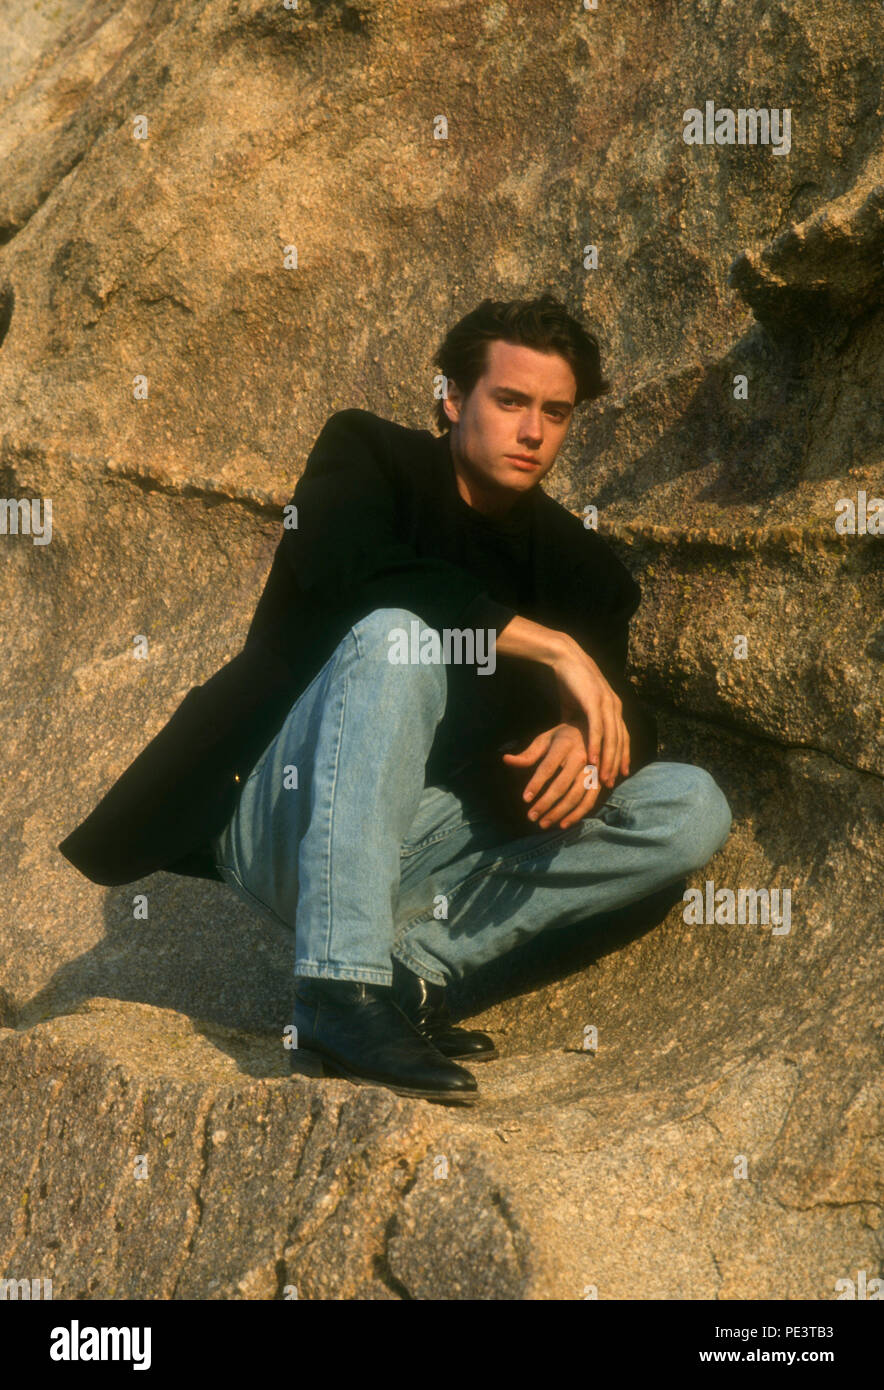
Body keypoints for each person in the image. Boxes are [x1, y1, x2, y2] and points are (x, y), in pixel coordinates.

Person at [58, 293, 732, 1107]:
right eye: (511, 401)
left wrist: (582, 739)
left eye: (555, 413)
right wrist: (546, 644)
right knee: (398, 636)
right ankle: (336, 990)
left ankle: (409, 975)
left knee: (690, 805)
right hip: (284, 811)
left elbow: (621, 705)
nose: (532, 432)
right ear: (453, 398)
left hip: (426, 849)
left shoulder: (582, 567)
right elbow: (349, 569)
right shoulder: (366, 454)